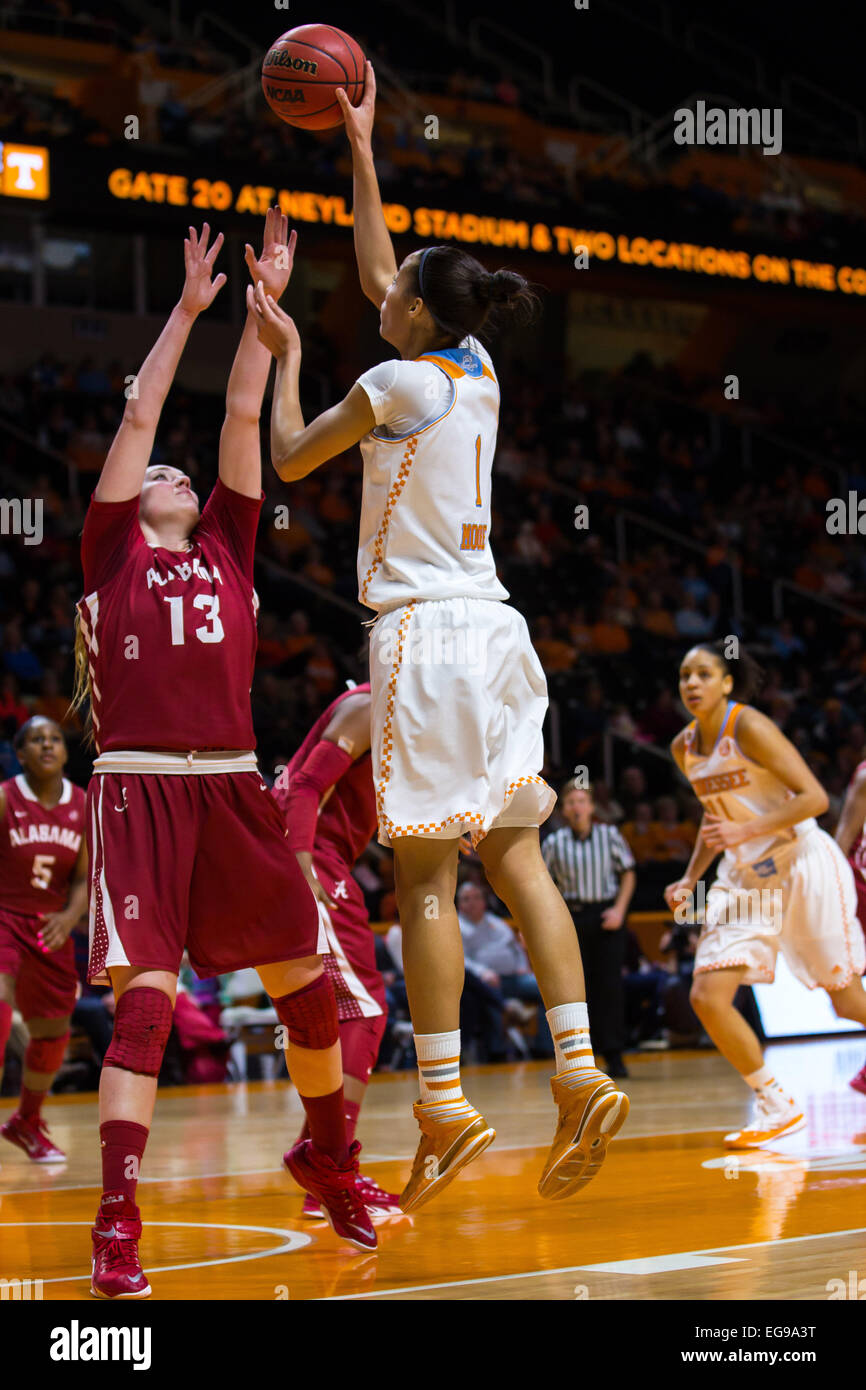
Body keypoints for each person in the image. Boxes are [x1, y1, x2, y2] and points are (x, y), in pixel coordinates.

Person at [247, 63, 628, 1212]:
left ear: (413, 314)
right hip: (501, 631)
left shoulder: (386, 381)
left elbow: (285, 458)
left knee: (420, 879)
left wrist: (280, 355)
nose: (381, 289)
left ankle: (448, 1103)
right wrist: (357, 149)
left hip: (421, 635)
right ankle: (577, 1069)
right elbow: (381, 266)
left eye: (395, 290)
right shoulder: (472, 365)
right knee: (512, 858)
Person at [71, 213, 377, 1299]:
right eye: (156, 471)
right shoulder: (109, 554)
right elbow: (146, 405)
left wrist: (263, 312)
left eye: (177, 474)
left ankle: (329, 1159)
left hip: (231, 786)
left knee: (307, 988)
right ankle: (118, 1223)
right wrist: (188, 311)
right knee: (146, 1005)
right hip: (141, 790)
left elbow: (243, 410)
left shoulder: (230, 548)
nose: (171, 471)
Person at [665, 640, 866, 1146]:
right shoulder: (683, 747)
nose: (692, 683)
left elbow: (816, 797)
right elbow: (716, 817)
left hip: (800, 862)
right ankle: (775, 1103)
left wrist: (746, 833)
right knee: (707, 997)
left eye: (704, 674)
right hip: (745, 876)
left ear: (727, 682)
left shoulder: (749, 725)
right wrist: (691, 877)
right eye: (686, 675)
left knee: (845, 1001)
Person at [272, 679, 401, 1216]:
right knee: (365, 1010)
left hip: (321, 858)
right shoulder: (369, 704)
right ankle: (331, 1167)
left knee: (338, 1012)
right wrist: (300, 863)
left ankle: (322, 1172)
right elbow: (304, 786)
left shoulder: (396, 716)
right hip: (309, 856)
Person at [0, 717, 88, 1160]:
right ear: (20, 753)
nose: (47, 745)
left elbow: (83, 878)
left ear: (65, 751)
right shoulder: (5, 798)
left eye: (54, 738)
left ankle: (27, 1121)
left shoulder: (83, 804)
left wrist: (70, 916)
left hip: (51, 925)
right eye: (36, 740)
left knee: (53, 1030)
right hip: (4, 915)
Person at [541, 781, 637, 1077]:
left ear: (592, 807)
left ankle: (615, 1055)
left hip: (605, 916)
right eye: (570, 802)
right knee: (575, 991)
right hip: (571, 919)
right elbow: (544, 886)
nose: (576, 807)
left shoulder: (609, 836)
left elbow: (628, 873)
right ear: (563, 810)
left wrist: (620, 910)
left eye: (582, 801)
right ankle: (582, 1058)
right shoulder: (554, 843)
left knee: (610, 988)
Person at [456, 881, 553, 1057]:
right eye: (466, 899)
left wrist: (523, 967)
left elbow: (515, 949)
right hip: (486, 981)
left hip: (514, 977)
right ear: (459, 904)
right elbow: (459, 959)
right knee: (488, 992)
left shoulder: (497, 922)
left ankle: (544, 1047)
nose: (472, 903)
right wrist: (482, 972)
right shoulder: (455, 926)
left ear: (484, 901)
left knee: (545, 988)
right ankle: (497, 1051)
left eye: (477, 898)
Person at [832, 756, 866, 1095]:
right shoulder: (865, 777)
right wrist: (832, 889)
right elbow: (843, 837)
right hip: (859, 891)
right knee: (843, 998)